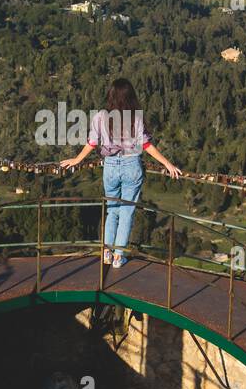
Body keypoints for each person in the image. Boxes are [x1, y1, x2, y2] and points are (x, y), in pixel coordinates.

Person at [59, 78, 182, 268]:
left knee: (112, 211)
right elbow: (147, 145)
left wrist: (76, 160)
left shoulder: (100, 116)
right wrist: (168, 164)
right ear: (130, 97)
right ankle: (118, 256)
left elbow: (92, 143)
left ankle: (106, 252)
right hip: (131, 164)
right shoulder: (135, 118)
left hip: (110, 166)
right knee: (127, 213)